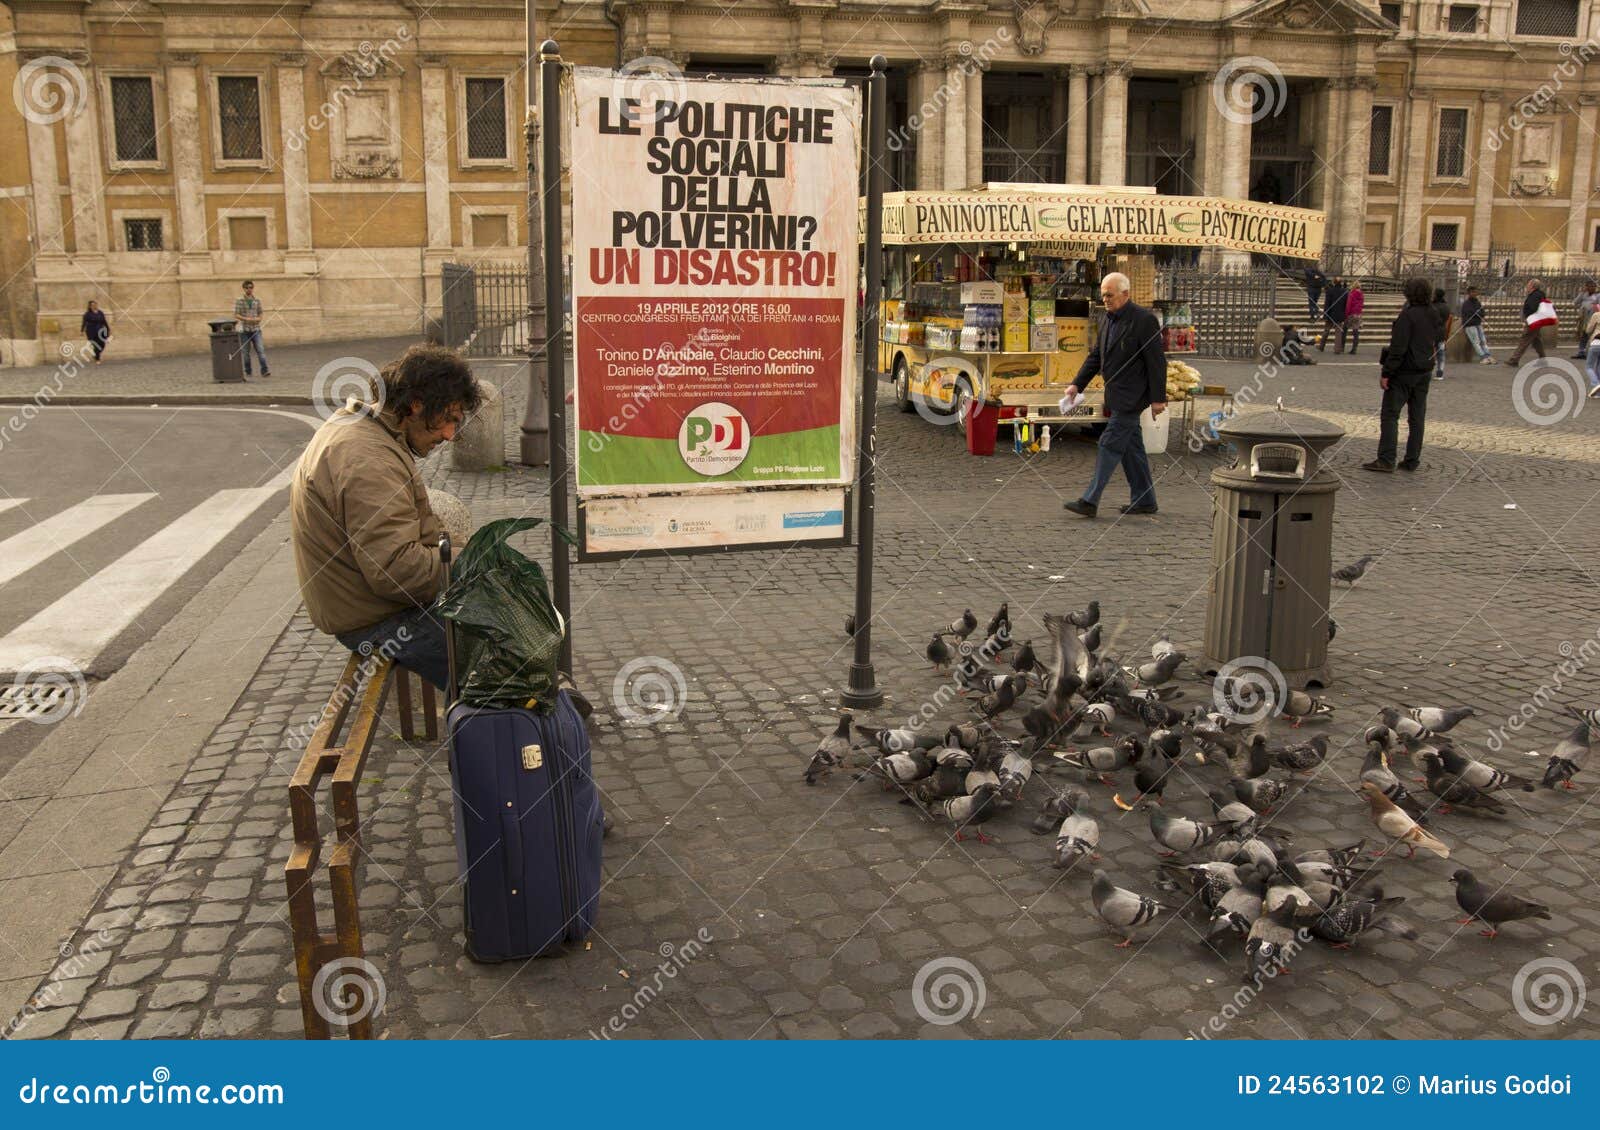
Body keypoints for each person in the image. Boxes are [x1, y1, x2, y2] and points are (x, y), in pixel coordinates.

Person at [290, 344, 483, 689]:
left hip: (367, 604)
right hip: (375, 620)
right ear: (417, 404)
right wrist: (475, 563)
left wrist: (461, 555)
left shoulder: (367, 432)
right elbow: (397, 571)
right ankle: (533, 728)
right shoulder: (367, 458)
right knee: (503, 658)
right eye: (449, 419)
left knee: (503, 620)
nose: (450, 435)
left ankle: (540, 712)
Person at [1060, 272, 1167, 518]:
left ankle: (1090, 500)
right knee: (1132, 449)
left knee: (1109, 442)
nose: (1105, 299)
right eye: (1103, 295)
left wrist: (1158, 398)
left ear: (1125, 294)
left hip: (1133, 396)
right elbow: (1097, 355)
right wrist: (1077, 384)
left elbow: (1157, 362)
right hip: (1116, 394)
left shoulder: (1144, 320)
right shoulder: (1107, 318)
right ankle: (1145, 500)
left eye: (1110, 295)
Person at [1364, 277, 1438, 474]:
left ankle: (1386, 459)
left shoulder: (1407, 316)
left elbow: (1398, 348)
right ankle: (1412, 459)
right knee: (1417, 417)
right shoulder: (1433, 313)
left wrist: (1387, 372)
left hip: (1404, 372)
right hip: (1424, 371)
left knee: (1390, 415)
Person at [1506, 277, 1550, 365]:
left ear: (1532, 286)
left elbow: (1533, 308)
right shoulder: (1538, 294)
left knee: (1524, 340)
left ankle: (1514, 359)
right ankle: (1543, 359)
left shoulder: (1535, 295)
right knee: (1536, 341)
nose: (1527, 286)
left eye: (1529, 284)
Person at [234, 280, 270, 377]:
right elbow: (236, 314)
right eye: (247, 287)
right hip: (244, 330)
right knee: (246, 353)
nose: (249, 289)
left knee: (261, 350)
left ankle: (265, 370)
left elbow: (260, 312)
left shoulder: (257, 300)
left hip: (256, 329)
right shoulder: (239, 300)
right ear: (244, 288)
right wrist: (246, 319)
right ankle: (248, 370)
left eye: (251, 287)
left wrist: (259, 318)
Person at [1460, 286, 1493, 363]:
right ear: (1469, 293)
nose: (1475, 293)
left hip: (1478, 323)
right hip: (1470, 325)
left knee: (1483, 340)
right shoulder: (1466, 303)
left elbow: (1482, 313)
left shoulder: (1477, 302)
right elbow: (1469, 314)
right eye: (1473, 292)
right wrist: (1477, 313)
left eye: (1475, 292)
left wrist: (1478, 313)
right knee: (1476, 341)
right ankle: (1483, 357)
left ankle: (1488, 355)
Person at [1317, 276, 1348, 353]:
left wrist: (1325, 314)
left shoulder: (1330, 291)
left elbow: (1327, 304)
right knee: (1338, 333)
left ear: (1334, 282)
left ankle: (1321, 346)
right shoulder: (1344, 291)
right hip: (1340, 314)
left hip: (1330, 313)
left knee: (1326, 331)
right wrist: (1344, 314)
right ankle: (1337, 349)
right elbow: (1345, 304)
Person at [1430, 287, 1451, 380]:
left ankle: (1428, 371)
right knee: (1441, 353)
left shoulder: (1432, 306)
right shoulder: (1446, 306)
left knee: (1429, 351)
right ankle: (1440, 372)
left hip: (1431, 331)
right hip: (1442, 331)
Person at [1574, 280, 1598, 359]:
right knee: (1582, 335)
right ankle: (1581, 352)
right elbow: (1575, 302)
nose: (1591, 288)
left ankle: (1591, 352)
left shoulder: (1597, 295)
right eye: (1589, 286)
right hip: (1583, 317)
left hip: (1593, 317)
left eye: (1593, 286)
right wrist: (1581, 293)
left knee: (1591, 335)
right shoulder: (1584, 295)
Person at [1343, 280, 1364, 354]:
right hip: (1358, 314)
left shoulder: (1351, 294)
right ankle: (1354, 349)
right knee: (1356, 332)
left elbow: (1348, 305)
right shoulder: (1361, 294)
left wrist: (1346, 314)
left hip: (1351, 314)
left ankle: (1342, 347)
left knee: (1344, 330)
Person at [1585, 305, 1600, 398]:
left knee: (1589, 366)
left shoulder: (1597, 315)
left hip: (1596, 342)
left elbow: (1588, 330)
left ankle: (1596, 384)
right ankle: (1598, 393)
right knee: (1599, 367)